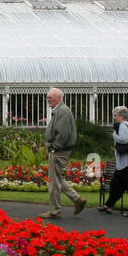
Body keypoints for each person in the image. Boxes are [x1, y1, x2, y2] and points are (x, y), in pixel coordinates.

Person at [39, 87, 86, 218]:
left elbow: (63, 133)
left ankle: (55, 210)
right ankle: (77, 199)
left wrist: (55, 147)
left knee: (54, 182)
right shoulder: (59, 110)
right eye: (47, 97)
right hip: (59, 150)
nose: (48, 99)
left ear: (59, 98)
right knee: (57, 177)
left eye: (50, 97)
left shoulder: (62, 111)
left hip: (59, 151)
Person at [99, 106, 128, 217]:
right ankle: (108, 205)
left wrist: (114, 135)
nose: (114, 118)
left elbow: (124, 140)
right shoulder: (127, 125)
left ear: (121, 116)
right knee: (117, 184)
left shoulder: (123, 125)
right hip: (127, 162)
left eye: (115, 115)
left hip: (127, 163)